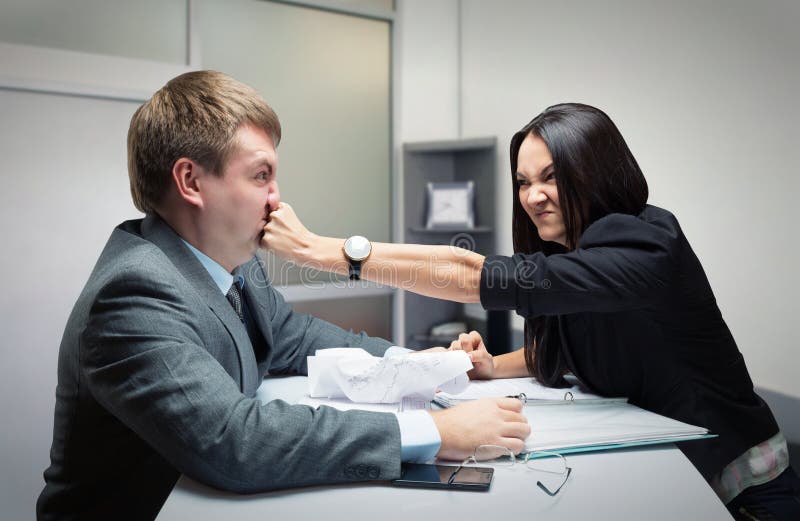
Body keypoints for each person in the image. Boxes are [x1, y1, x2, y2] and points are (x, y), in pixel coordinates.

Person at [263, 103, 800, 520]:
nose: (533, 196)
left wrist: (323, 252)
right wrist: (496, 365)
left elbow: (475, 275)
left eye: (551, 177)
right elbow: (575, 341)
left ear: (596, 172)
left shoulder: (646, 243)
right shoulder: (573, 252)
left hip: (743, 486)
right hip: (667, 464)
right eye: (523, 182)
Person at [36, 70, 531, 521]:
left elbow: (296, 338)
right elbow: (234, 442)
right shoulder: (134, 292)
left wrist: (421, 365)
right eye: (260, 175)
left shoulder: (236, 262)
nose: (277, 199)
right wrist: (436, 432)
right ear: (191, 181)